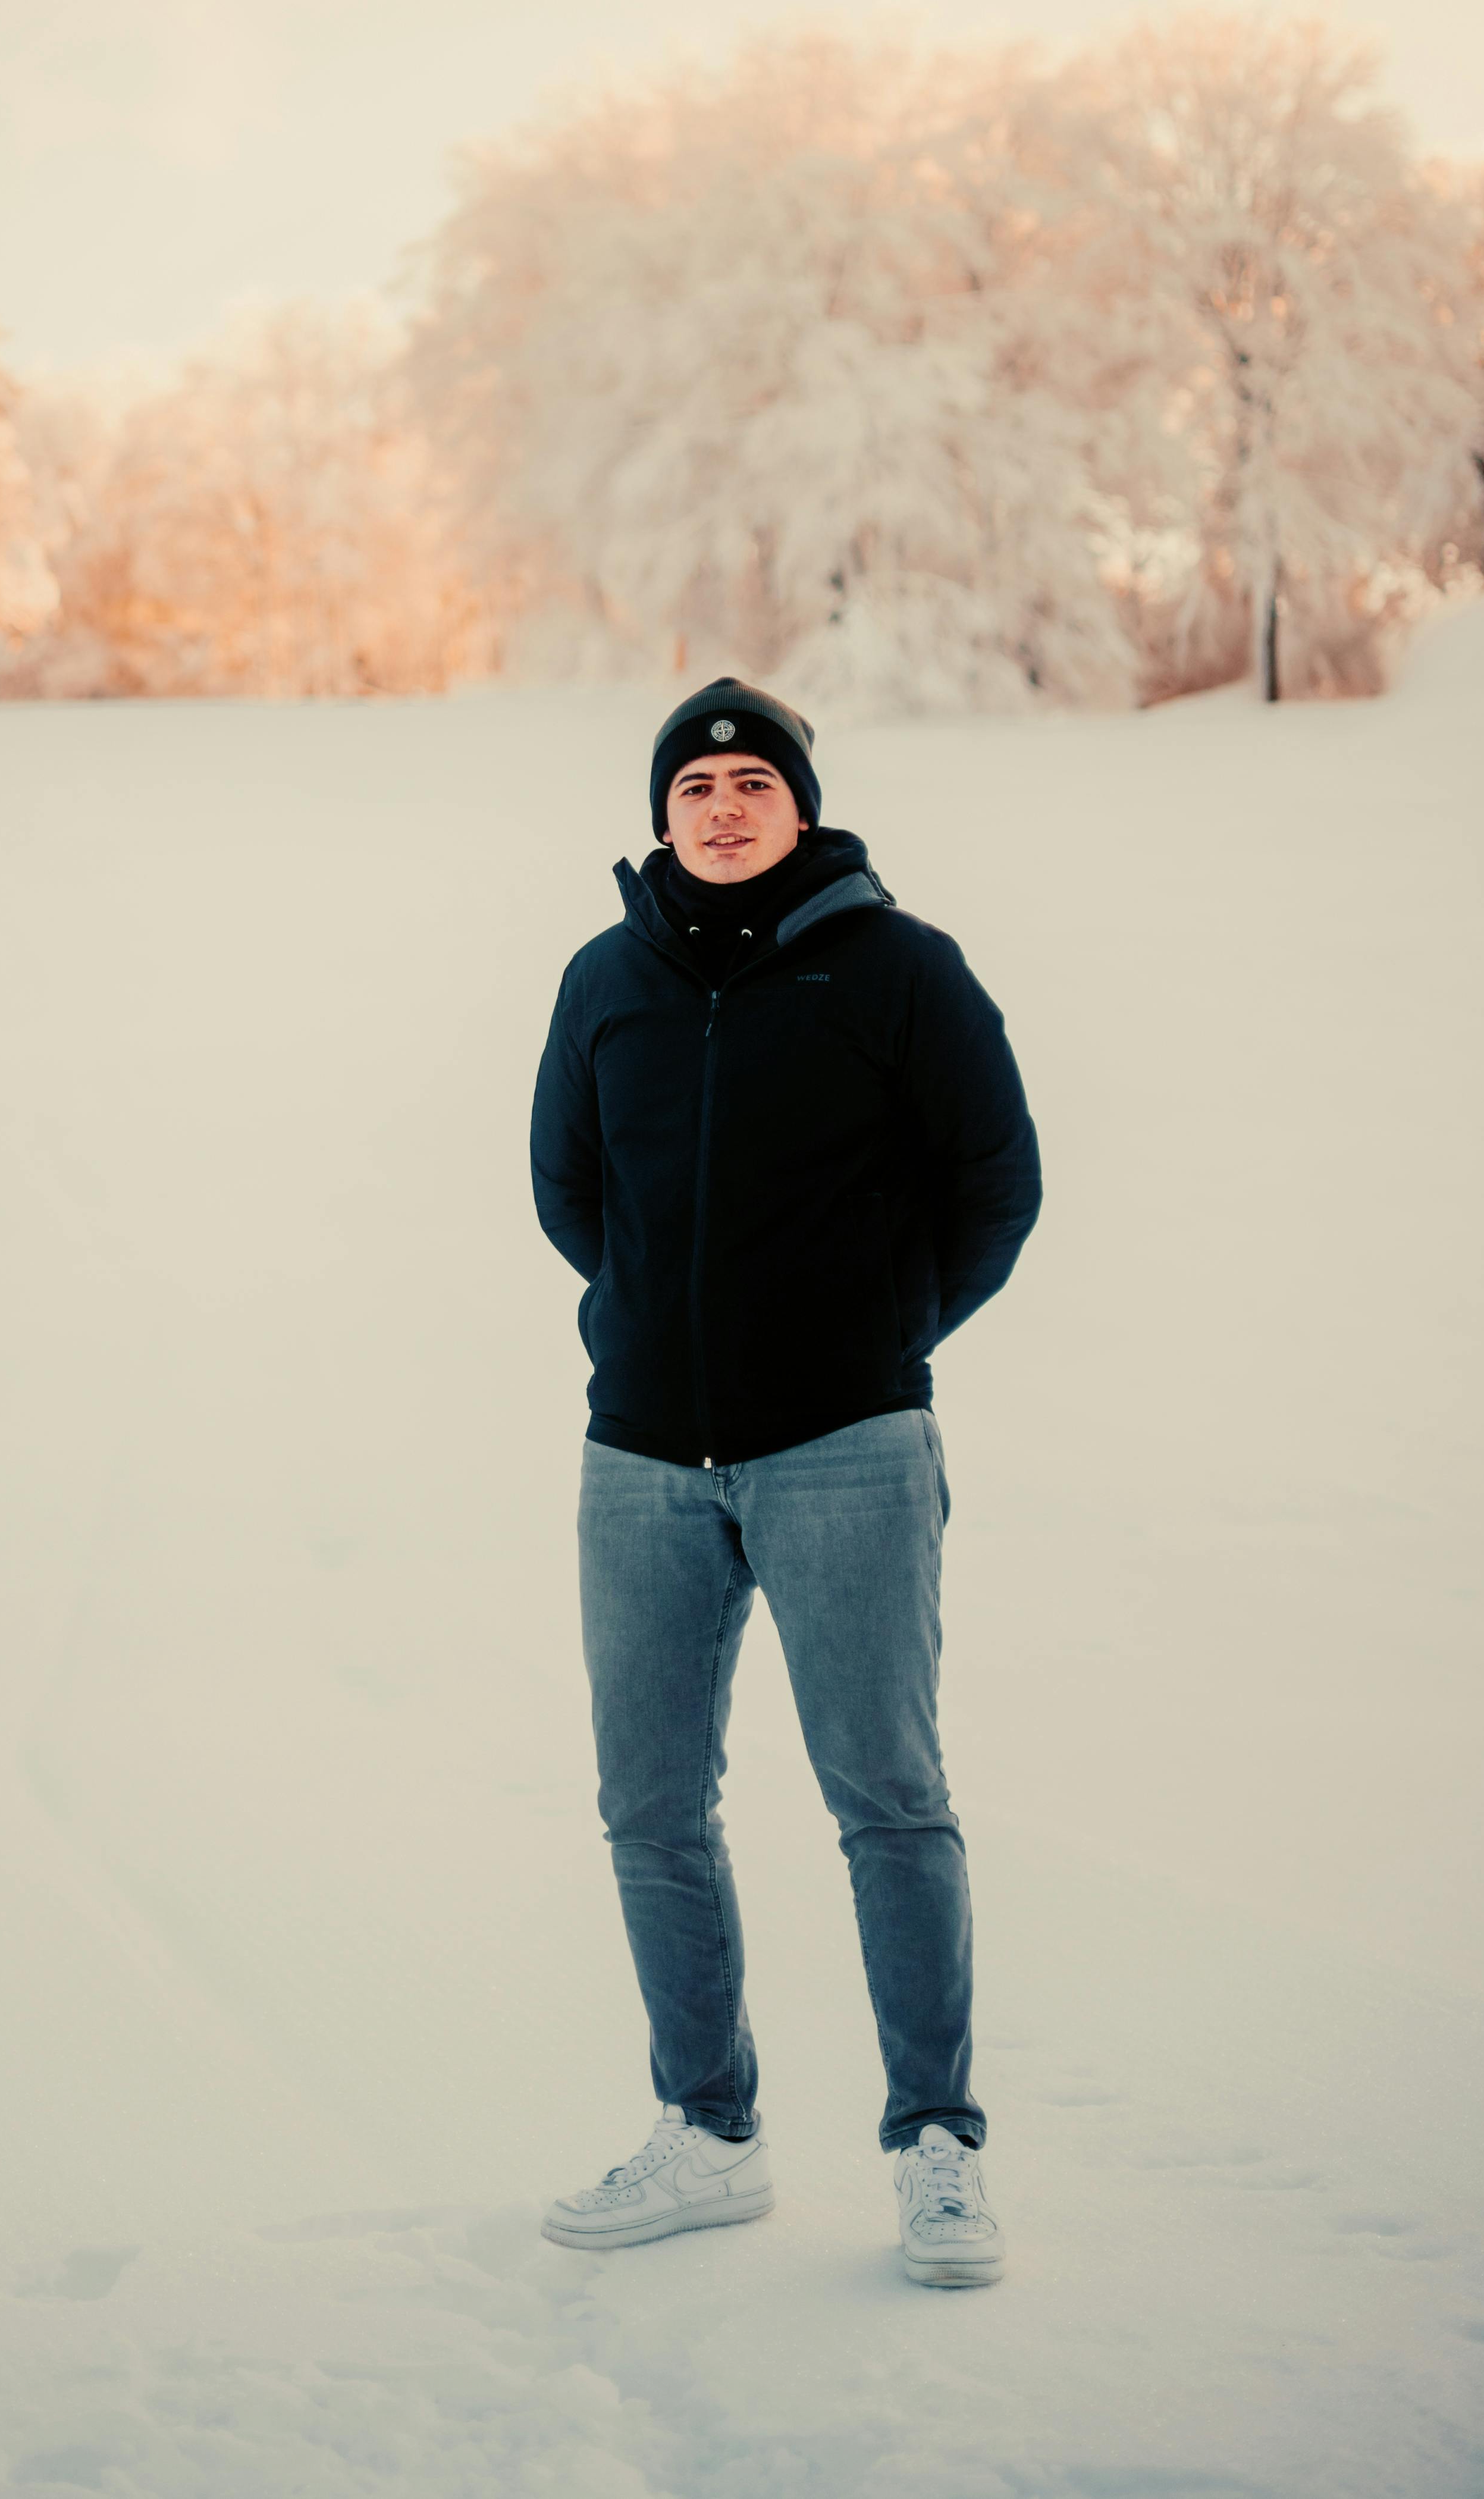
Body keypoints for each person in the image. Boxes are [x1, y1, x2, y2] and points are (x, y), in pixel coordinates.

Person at [528, 677, 1041, 2288]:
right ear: (664, 813)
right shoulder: (603, 979)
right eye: (699, 785)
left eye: (757, 780)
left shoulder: (903, 972)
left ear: (801, 805)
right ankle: (711, 2129)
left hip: (849, 1452)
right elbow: (569, 1190)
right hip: (642, 1463)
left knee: (888, 1798)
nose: (727, 804)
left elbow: (996, 1188)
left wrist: (873, 1336)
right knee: (651, 1806)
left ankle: (938, 2145)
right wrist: (668, 1337)